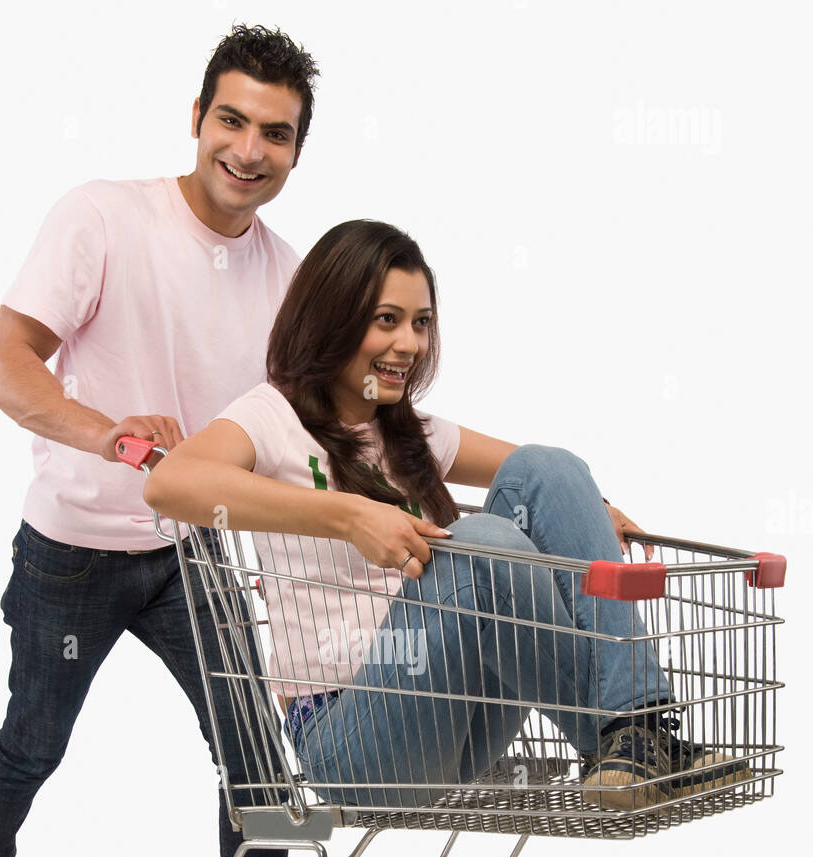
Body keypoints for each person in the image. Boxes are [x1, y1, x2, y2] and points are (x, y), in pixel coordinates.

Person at [0, 25, 325, 857]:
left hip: (194, 556)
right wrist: (108, 432)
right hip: (73, 550)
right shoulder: (103, 217)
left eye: (276, 134)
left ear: (298, 151)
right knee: (36, 738)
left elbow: (313, 427)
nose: (250, 150)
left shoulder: (289, 276)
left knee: (254, 757)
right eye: (233, 121)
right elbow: (3, 362)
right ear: (197, 118)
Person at [144, 219, 740, 824]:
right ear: (332, 318)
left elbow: (543, 478)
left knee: (550, 467)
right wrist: (350, 515)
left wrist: (587, 505)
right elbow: (170, 484)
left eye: (421, 322)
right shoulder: (272, 415)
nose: (409, 344)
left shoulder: (408, 432)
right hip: (353, 738)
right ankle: (624, 738)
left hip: (459, 719)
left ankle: (636, 728)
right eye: (386, 320)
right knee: (482, 543)